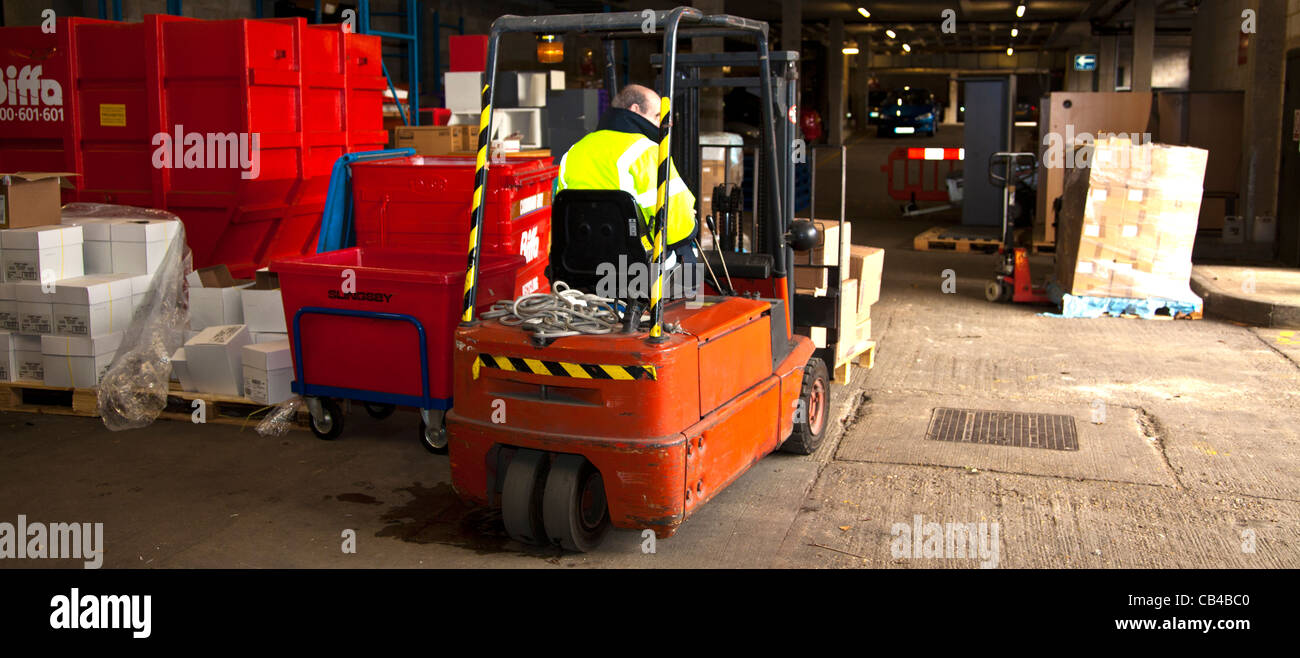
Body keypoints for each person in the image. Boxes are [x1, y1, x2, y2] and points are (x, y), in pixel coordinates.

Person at [556, 84, 700, 294]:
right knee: (687, 249)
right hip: (635, 270)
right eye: (657, 115)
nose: (661, 123)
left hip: (580, 266)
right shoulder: (647, 151)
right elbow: (677, 227)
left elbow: (562, 216)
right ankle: (683, 313)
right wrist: (691, 220)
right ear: (634, 110)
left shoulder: (574, 152)